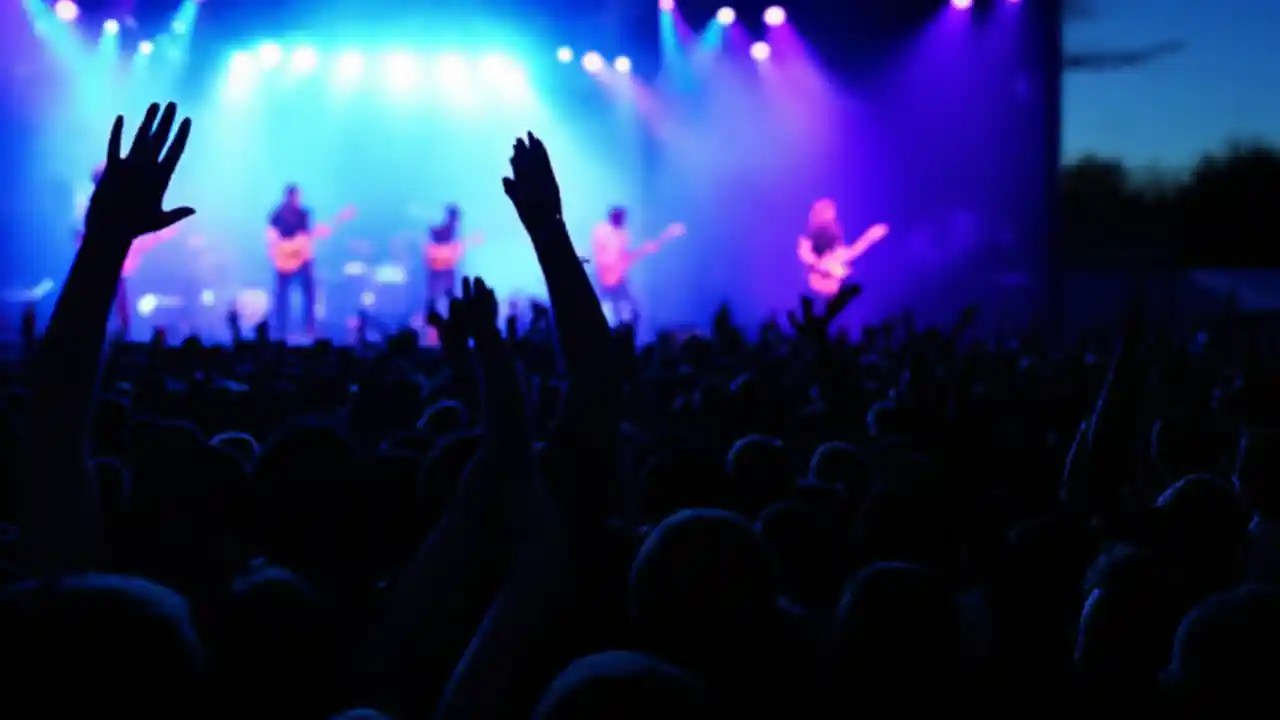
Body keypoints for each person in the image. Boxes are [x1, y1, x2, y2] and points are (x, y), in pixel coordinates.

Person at [796, 198, 888, 299]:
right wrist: (819, 263)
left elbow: (852, 252)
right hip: (819, 274)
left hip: (830, 271)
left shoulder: (834, 246)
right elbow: (805, 253)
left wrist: (871, 236)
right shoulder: (809, 236)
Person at [267, 184, 317, 339]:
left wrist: (305, 250)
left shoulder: (304, 214)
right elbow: (271, 235)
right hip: (284, 261)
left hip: (302, 259)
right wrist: (278, 252)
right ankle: (280, 329)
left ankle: (309, 326)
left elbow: (306, 236)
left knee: (309, 292)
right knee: (282, 295)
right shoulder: (277, 214)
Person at [423, 204, 478, 317]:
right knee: (436, 294)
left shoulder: (453, 230)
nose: (456, 221)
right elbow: (433, 246)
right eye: (455, 218)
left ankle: (452, 316)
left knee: (449, 293)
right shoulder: (442, 230)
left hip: (447, 267)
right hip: (438, 268)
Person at [591, 206, 639, 325]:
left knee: (628, 309)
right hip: (606, 278)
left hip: (617, 278)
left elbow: (623, 256)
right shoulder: (602, 231)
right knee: (608, 308)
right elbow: (603, 257)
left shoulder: (622, 234)